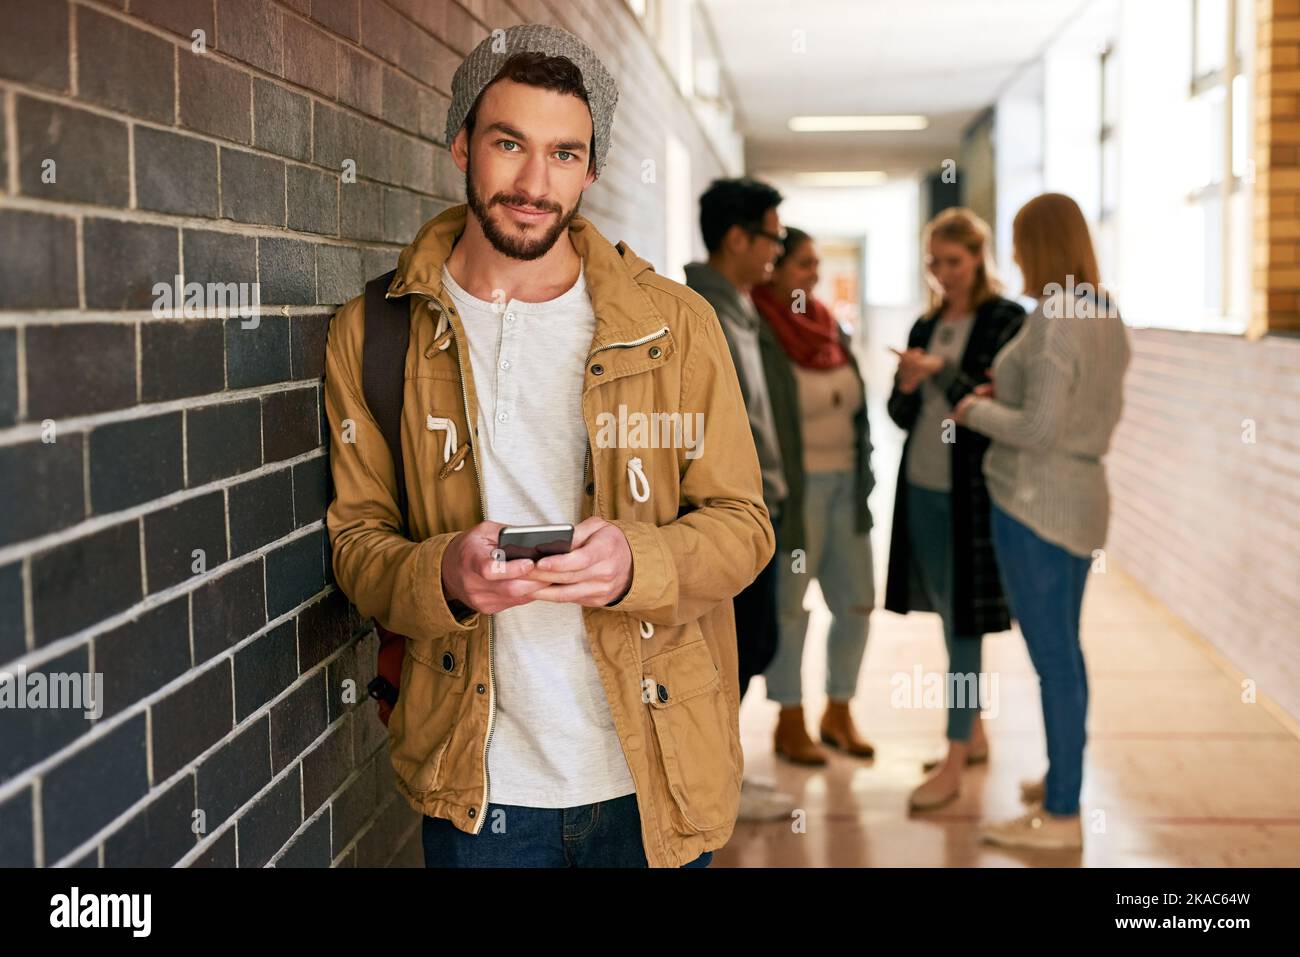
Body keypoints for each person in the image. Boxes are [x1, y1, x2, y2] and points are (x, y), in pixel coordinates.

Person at [323, 24, 774, 868]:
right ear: (461, 144)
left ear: (592, 168)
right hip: (479, 787)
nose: (536, 183)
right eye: (508, 144)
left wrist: (638, 564)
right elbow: (357, 545)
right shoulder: (376, 331)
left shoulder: (673, 327)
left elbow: (744, 526)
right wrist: (443, 574)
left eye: (565, 154)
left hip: (654, 777)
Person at [955, 192, 1131, 850]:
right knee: (1066, 653)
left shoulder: (1057, 318)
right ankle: (1064, 779)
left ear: (1039, 246)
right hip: (1081, 497)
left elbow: (1036, 427)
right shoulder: (1101, 310)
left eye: (1021, 242)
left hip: (1036, 503)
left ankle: (1060, 816)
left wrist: (971, 409)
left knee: (1054, 659)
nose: (1016, 256)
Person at [885, 208, 1025, 811]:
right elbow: (897, 412)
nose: (944, 275)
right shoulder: (925, 322)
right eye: (934, 264)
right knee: (949, 618)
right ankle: (975, 733)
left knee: (964, 624)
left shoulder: (1005, 320)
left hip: (974, 493)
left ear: (979, 258)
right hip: (922, 485)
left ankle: (954, 757)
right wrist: (911, 384)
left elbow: (997, 398)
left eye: (955, 262)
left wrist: (941, 372)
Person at [684, 178, 803, 821]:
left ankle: (725, 771)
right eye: (772, 238)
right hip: (727, 518)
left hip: (759, 512)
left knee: (751, 650)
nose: (777, 253)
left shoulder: (741, 307)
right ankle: (714, 784)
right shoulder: (701, 311)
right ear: (737, 237)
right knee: (728, 654)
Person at [751, 228, 878, 767]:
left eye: (816, 265)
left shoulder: (830, 327)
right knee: (790, 609)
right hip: (794, 497)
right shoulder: (758, 332)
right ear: (774, 269)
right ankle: (789, 717)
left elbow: (858, 409)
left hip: (846, 489)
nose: (814, 276)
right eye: (803, 265)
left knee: (856, 602)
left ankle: (839, 709)